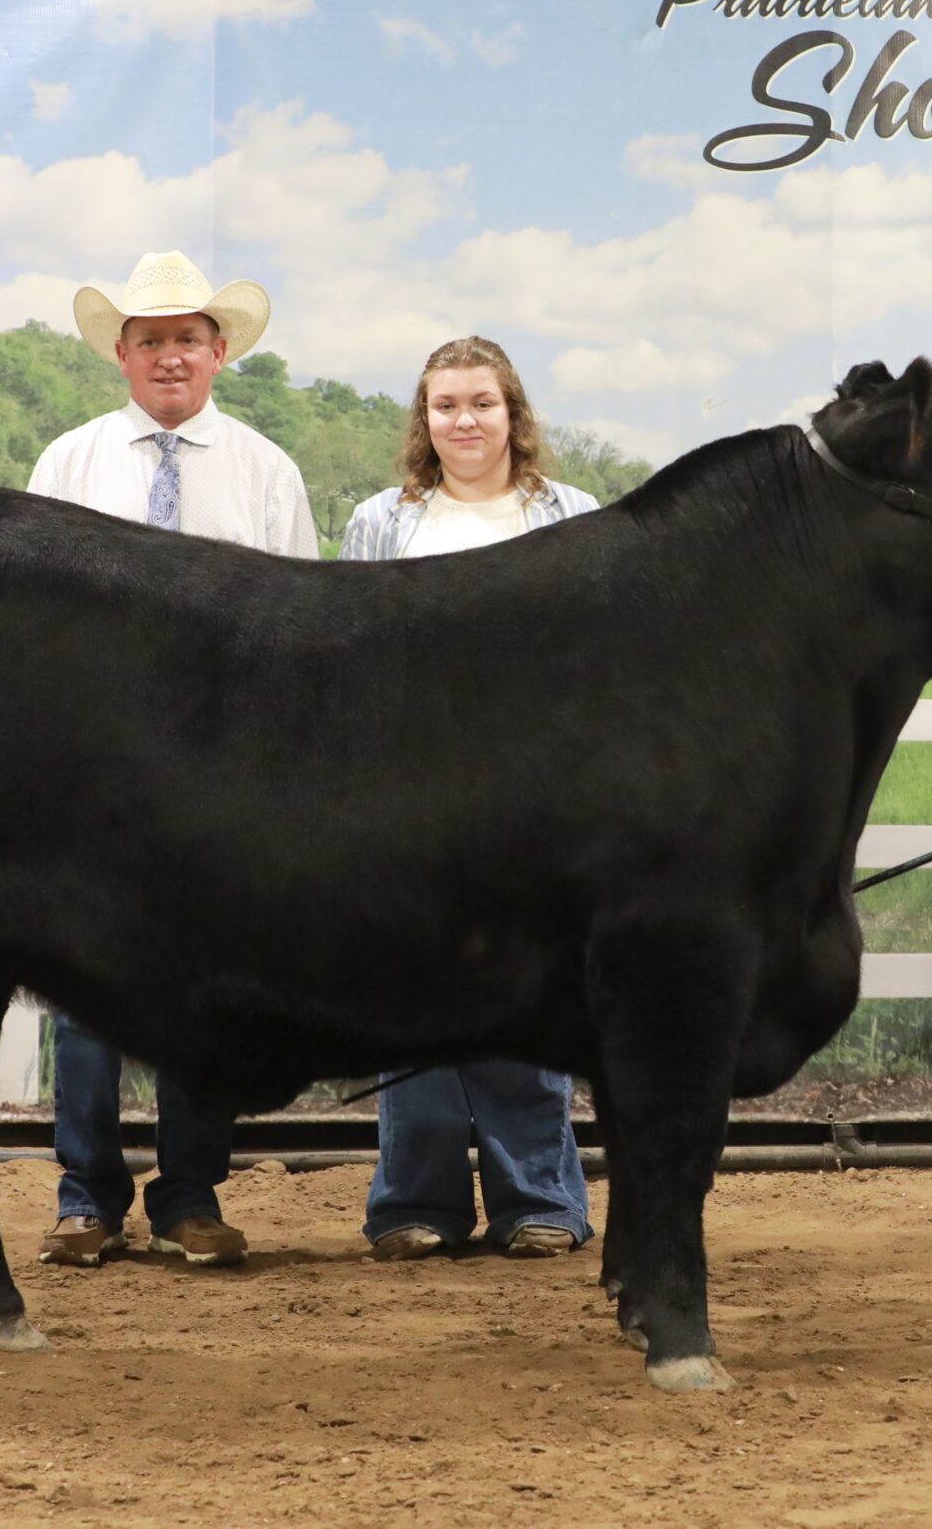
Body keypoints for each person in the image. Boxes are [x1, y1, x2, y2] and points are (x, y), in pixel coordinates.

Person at [29, 251, 320, 1269]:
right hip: (95, 765)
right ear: (120, 353)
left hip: (221, 769)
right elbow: (31, 624)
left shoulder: (267, 472)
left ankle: (190, 1194)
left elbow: (300, 627)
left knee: (207, 985)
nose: (168, 356)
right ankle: (85, 1198)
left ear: (218, 351)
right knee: (85, 989)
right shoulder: (67, 466)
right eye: (149, 339)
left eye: (186, 338)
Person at [344, 336, 598, 1263]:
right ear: (425, 419)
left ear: (512, 412)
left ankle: (539, 1199)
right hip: (408, 794)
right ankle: (415, 1202)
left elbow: (601, 658)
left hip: (534, 792)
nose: (464, 420)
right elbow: (346, 658)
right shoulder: (382, 522)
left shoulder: (570, 515)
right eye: (445, 404)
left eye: (481, 402)